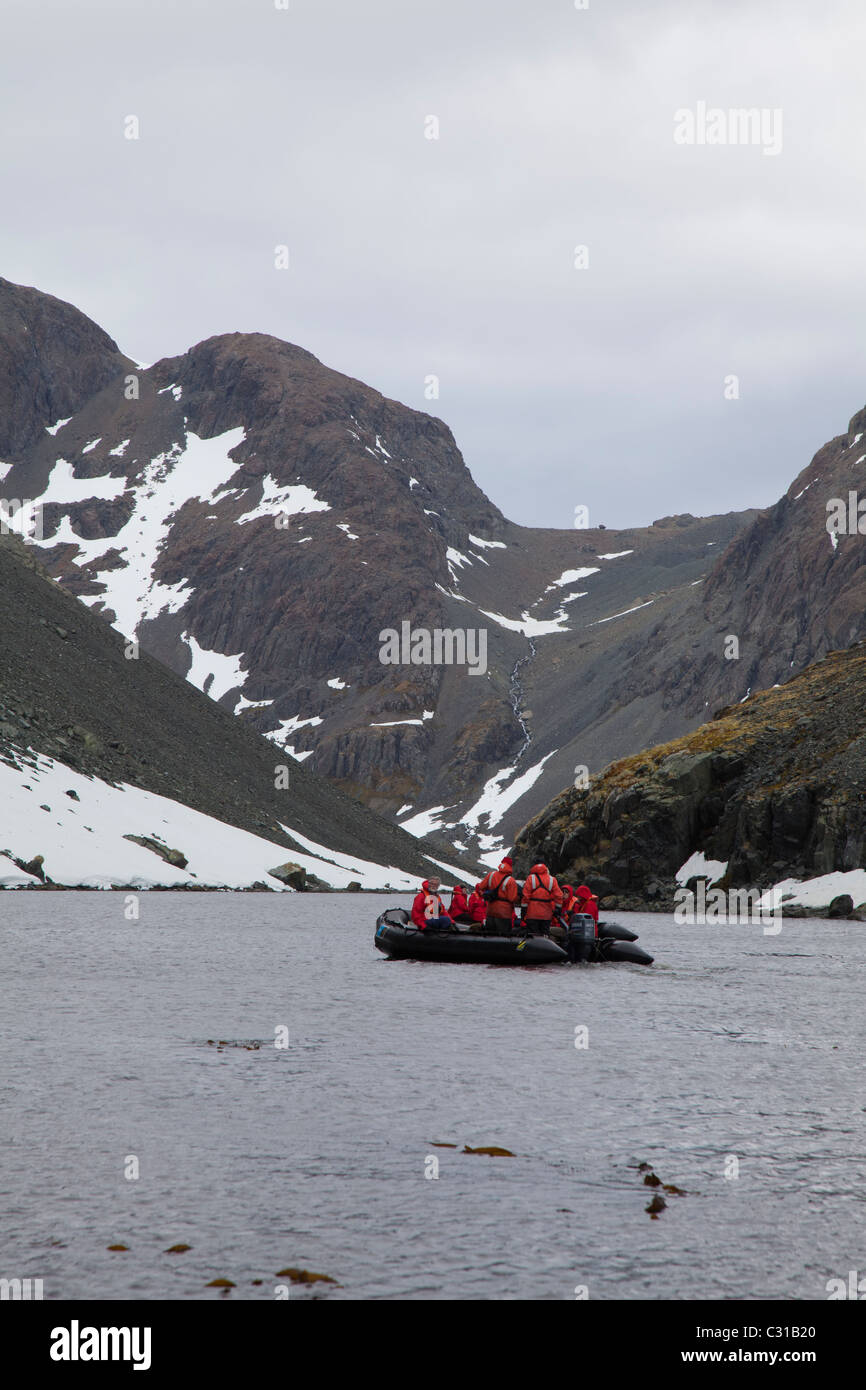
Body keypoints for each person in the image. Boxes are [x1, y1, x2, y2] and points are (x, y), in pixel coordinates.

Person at [475, 856, 520, 935]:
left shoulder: (491, 875)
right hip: (504, 913)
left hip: (490, 911)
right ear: (510, 866)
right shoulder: (511, 880)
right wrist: (520, 898)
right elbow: (512, 898)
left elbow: (480, 886)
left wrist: (485, 894)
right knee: (504, 937)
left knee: (489, 935)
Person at [521, 862, 563, 935]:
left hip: (532, 913)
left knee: (532, 936)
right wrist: (558, 909)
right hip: (546, 915)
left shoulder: (531, 878)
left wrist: (523, 911)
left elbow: (525, 897)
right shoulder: (552, 879)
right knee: (544, 936)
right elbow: (559, 896)